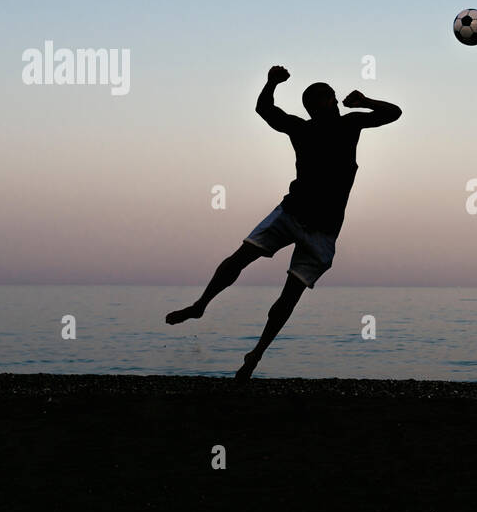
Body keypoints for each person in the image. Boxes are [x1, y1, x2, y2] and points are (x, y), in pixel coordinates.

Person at [166, 65, 401, 379]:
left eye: (327, 99)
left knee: (278, 288)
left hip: (314, 227)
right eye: (323, 100)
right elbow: (265, 109)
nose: (327, 104)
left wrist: (273, 82)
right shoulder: (326, 126)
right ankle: (214, 316)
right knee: (254, 268)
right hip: (297, 216)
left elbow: (393, 112)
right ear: (320, 105)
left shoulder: (326, 126)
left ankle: (248, 347)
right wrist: (361, 100)